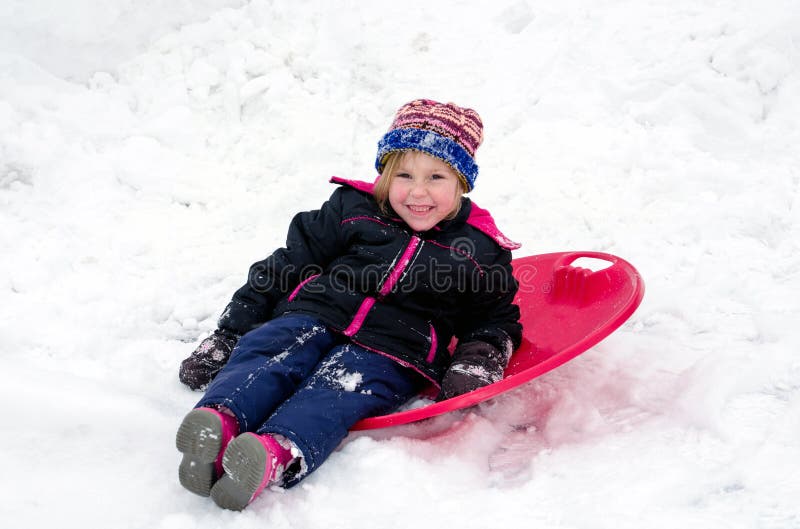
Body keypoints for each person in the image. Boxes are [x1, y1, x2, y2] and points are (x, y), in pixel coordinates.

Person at [175, 98, 522, 511]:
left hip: (393, 348)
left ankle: (274, 453)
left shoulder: (479, 249)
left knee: (339, 390)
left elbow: (495, 319)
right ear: (384, 175)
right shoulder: (351, 209)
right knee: (270, 352)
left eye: (436, 177)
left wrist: (477, 362)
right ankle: (219, 423)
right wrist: (231, 332)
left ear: (462, 181)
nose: (417, 191)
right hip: (316, 312)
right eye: (404, 175)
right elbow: (289, 263)